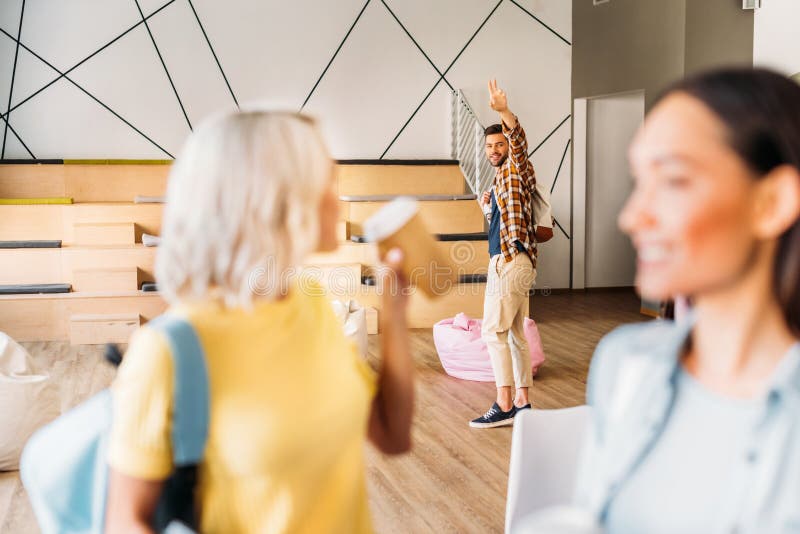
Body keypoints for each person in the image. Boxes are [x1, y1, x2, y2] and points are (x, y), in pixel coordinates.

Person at [104, 111, 415, 533]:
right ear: (274, 197)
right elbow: (127, 521)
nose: (336, 199)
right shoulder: (167, 352)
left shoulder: (311, 299)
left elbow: (392, 436)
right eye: (326, 181)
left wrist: (395, 314)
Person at [575, 68, 800, 532]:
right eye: (639, 180)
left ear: (772, 202)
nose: (631, 216)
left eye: (674, 180)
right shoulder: (624, 363)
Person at [470, 79, 549, 429]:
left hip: (512, 260)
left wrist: (503, 110)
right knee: (514, 332)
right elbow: (502, 223)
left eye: (499, 144)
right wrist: (489, 209)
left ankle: (503, 403)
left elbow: (519, 143)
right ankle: (522, 401)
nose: (494, 149)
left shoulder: (518, 169)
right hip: (505, 259)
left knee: (493, 331)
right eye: (489, 145)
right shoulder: (499, 182)